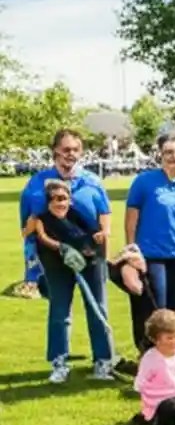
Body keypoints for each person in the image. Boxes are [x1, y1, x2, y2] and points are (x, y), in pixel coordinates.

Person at [18, 129, 116, 383]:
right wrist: (32, 261)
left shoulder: (93, 182)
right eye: (65, 149)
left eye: (75, 149)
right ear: (55, 151)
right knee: (60, 309)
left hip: (90, 257)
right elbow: (26, 229)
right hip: (54, 258)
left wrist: (103, 238)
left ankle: (103, 361)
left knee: (97, 307)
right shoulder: (37, 184)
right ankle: (59, 362)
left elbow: (105, 218)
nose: (70, 154)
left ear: (81, 152)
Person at [124, 134, 175, 351]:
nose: (174, 157)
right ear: (161, 155)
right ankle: (148, 356)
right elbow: (131, 217)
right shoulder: (144, 182)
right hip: (151, 256)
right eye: (169, 152)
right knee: (154, 311)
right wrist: (131, 250)